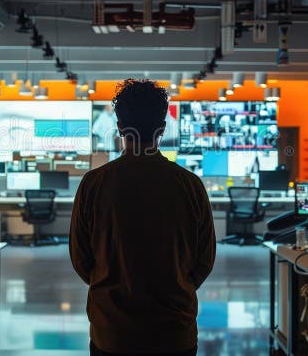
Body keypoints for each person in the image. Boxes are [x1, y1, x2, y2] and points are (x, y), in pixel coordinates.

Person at [70, 79, 216, 356]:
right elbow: (204, 259)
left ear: (120, 130)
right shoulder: (190, 184)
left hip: (111, 334)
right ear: (162, 129)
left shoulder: (93, 183)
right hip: (175, 333)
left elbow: (81, 259)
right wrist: (178, 287)